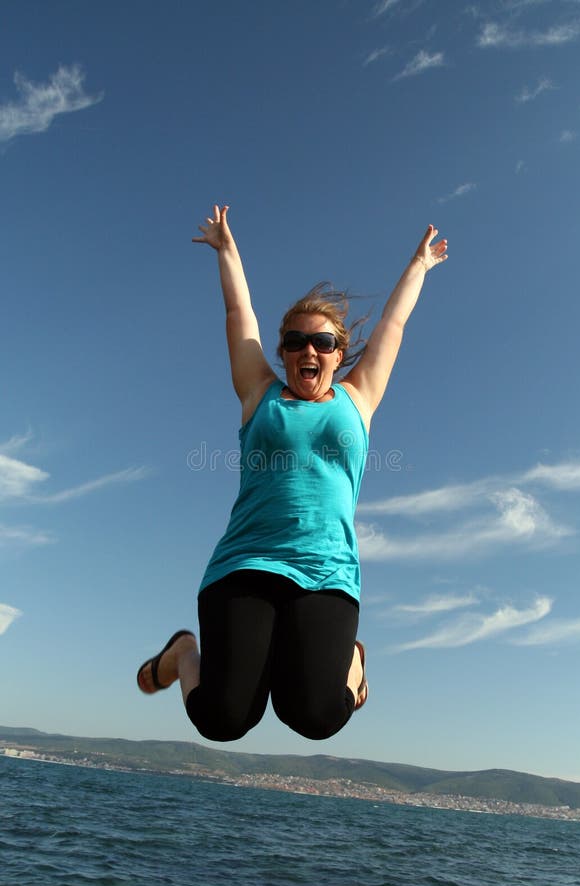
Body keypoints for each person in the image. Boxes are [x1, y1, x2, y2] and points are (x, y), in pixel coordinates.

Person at [137, 205, 448, 742]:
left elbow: (393, 325)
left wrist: (418, 266)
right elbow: (240, 315)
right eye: (296, 342)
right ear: (281, 353)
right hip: (244, 564)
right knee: (224, 720)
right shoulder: (260, 394)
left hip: (327, 574)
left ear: (339, 352)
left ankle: (352, 662)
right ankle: (184, 652)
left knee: (314, 716)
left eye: (323, 342)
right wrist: (226, 251)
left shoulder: (358, 397)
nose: (309, 350)